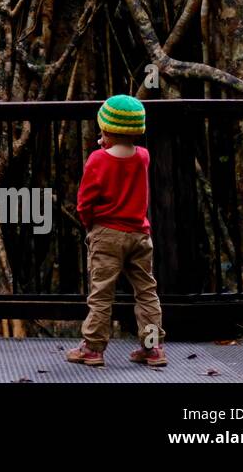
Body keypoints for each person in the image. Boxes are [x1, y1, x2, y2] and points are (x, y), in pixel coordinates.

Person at [67, 94, 167, 368]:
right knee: (146, 291)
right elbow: (125, 158)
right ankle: (152, 348)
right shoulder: (143, 157)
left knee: (101, 293)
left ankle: (93, 348)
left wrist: (90, 223)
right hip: (139, 234)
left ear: (106, 129)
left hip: (107, 233)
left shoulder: (98, 160)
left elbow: (85, 201)